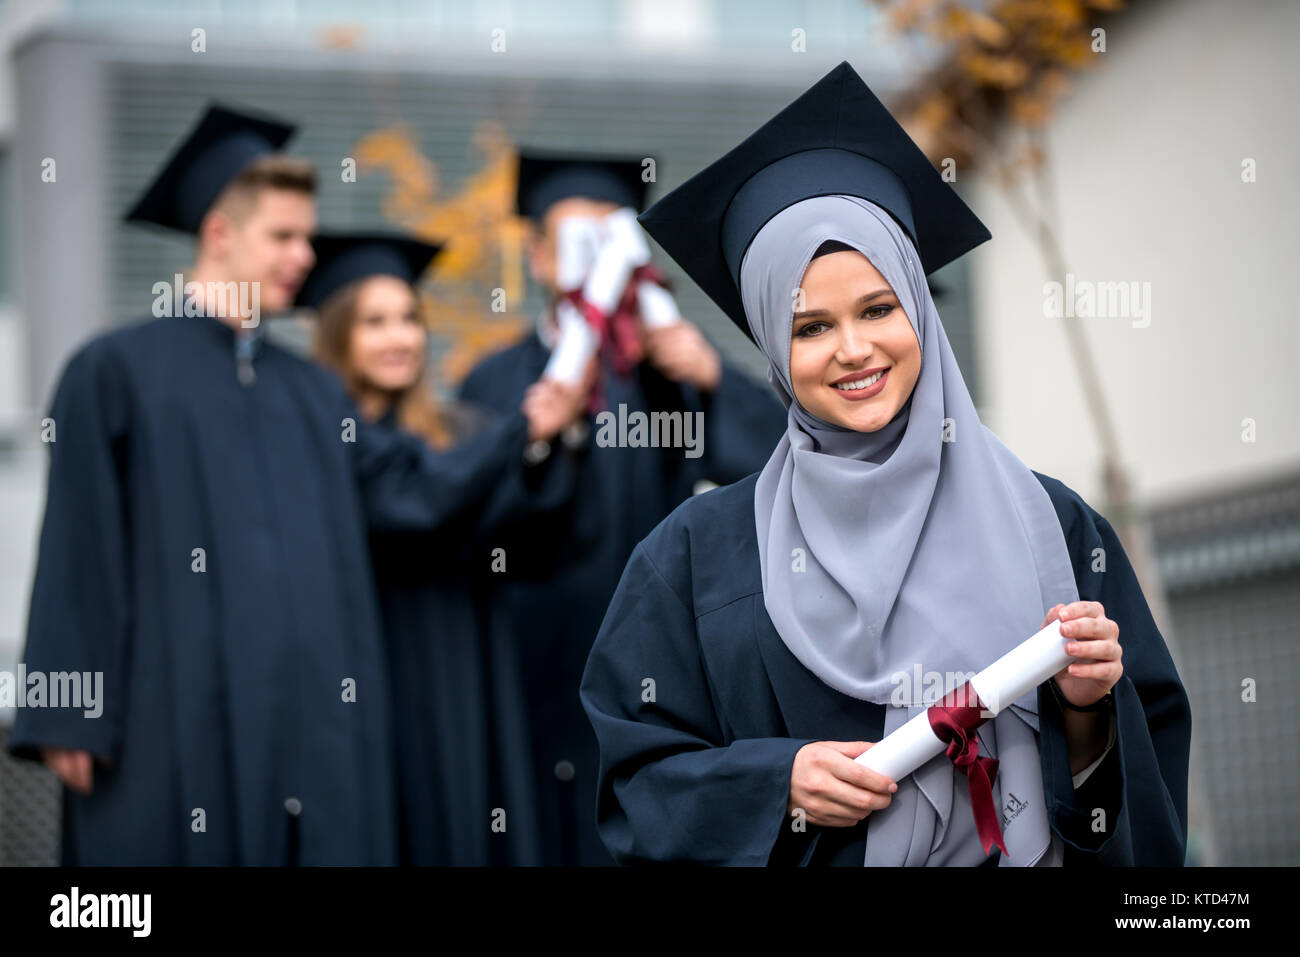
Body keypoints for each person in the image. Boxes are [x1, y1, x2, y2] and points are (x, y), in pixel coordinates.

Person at [579, 62, 1192, 866]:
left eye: (879, 308)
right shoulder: (694, 559)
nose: (854, 348)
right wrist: (777, 784)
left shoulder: (1057, 526)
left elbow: (1142, 808)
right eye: (811, 328)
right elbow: (634, 790)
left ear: (921, 313)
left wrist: (1084, 714)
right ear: (771, 346)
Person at [7, 105, 577, 865]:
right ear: (219, 235)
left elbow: (409, 491)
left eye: (304, 237)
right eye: (283, 236)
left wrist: (524, 431)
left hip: (310, 727)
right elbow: (78, 546)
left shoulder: (312, 392)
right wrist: (68, 710)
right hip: (168, 716)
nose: (303, 256)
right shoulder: (115, 372)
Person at [457, 149, 788, 864]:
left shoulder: (667, 373)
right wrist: (542, 431)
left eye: (611, 240)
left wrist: (713, 379)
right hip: (535, 647)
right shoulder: (493, 382)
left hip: (655, 643)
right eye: (577, 243)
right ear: (539, 256)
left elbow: (768, 471)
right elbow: (479, 513)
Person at [301, 232, 585, 865]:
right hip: (371, 665)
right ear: (338, 333)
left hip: (464, 658)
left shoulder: (460, 431)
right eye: (375, 322)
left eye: (409, 319)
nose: (400, 337)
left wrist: (542, 451)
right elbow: (412, 503)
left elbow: (528, 534)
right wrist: (521, 430)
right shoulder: (321, 440)